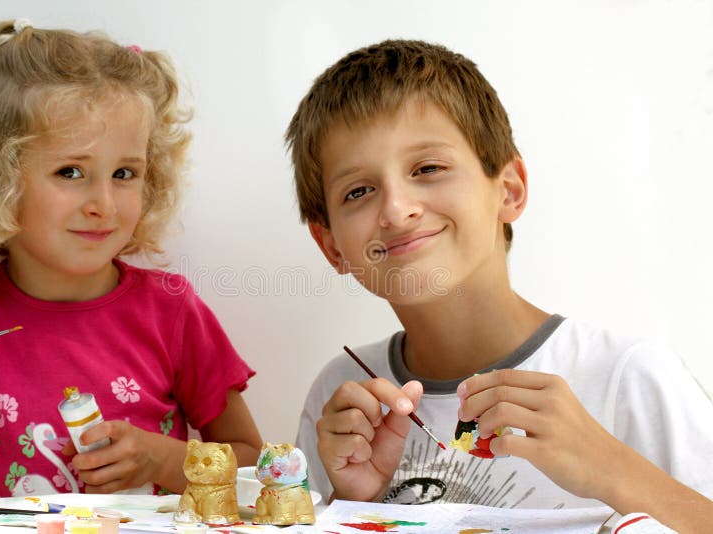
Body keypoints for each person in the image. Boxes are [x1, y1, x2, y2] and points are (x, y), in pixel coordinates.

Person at [287, 39, 713, 531]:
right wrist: (358, 505)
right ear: (331, 246)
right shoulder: (339, 396)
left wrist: (611, 468)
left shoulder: (630, 378)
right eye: (359, 191)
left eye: (428, 168)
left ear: (509, 190)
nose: (396, 210)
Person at [0, 19, 262, 501]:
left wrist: (162, 458)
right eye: (70, 171)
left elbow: (258, 467)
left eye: (124, 172)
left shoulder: (172, 311)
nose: (105, 203)